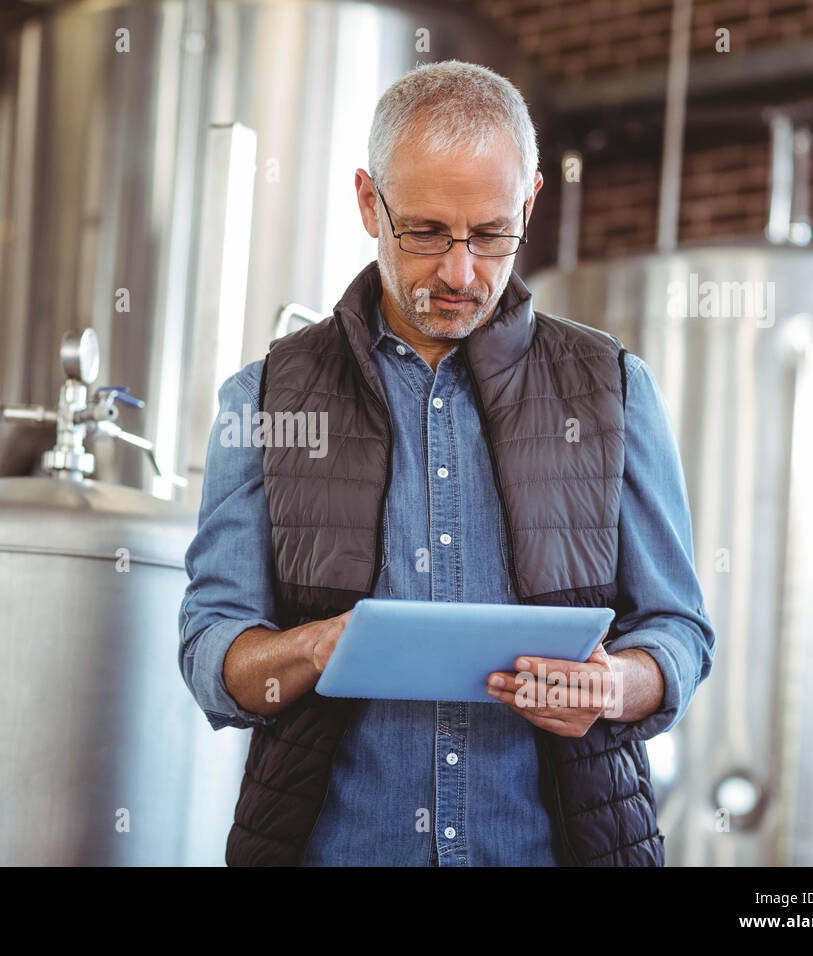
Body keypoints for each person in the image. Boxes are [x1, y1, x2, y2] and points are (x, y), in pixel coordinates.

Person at [178, 59, 715, 866]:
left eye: (492, 233)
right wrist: (314, 651)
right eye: (424, 232)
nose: (462, 273)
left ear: (529, 203)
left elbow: (678, 630)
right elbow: (210, 645)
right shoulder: (267, 399)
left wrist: (614, 687)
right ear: (369, 202)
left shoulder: (613, 389)